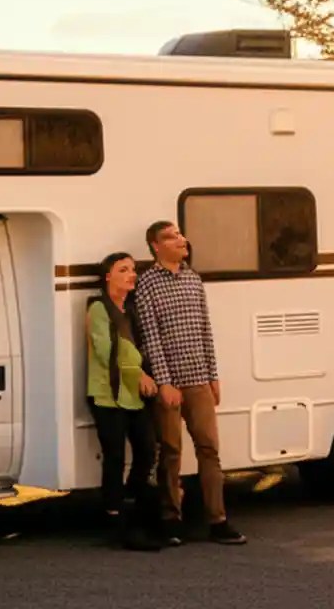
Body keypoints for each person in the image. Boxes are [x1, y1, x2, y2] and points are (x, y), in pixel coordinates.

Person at [134, 221, 247, 546]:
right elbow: (150, 337)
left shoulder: (194, 280)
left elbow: (205, 330)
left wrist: (213, 375)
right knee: (170, 452)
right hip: (169, 384)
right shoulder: (147, 284)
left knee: (209, 450)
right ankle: (171, 518)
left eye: (181, 234)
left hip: (199, 380)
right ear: (156, 246)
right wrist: (165, 382)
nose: (182, 240)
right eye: (172, 237)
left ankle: (218, 519)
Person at [85, 251, 160, 551]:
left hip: (135, 396)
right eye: (123, 269)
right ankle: (114, 518)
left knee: (146, 451)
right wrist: (139, 373)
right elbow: (107, 352)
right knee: (114, 457)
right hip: (107, 395)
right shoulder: (98, 309)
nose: (131, 274)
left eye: (133, 270)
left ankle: (132, 504)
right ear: (107, 277)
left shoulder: (132, 309)